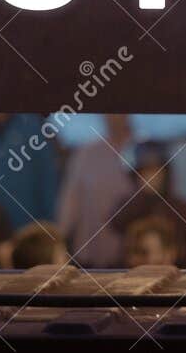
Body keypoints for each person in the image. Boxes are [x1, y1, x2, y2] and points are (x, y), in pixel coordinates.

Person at [56, 113, 135, 267]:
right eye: (109, 112)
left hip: (131, 258)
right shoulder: (87, 153)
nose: (114, 117)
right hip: (89, 256)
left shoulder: (144, 149)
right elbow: (70, 202)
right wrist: (58, 241)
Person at [109, 141, 186, 267]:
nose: (151, 177)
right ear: (135, 176)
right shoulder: (128, 205)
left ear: (166, 173)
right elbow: (114, 224)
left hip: (173, 274)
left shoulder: (181, 207)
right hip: (136, 275)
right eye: (145, 172)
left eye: (156, 171)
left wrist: (171, 256)